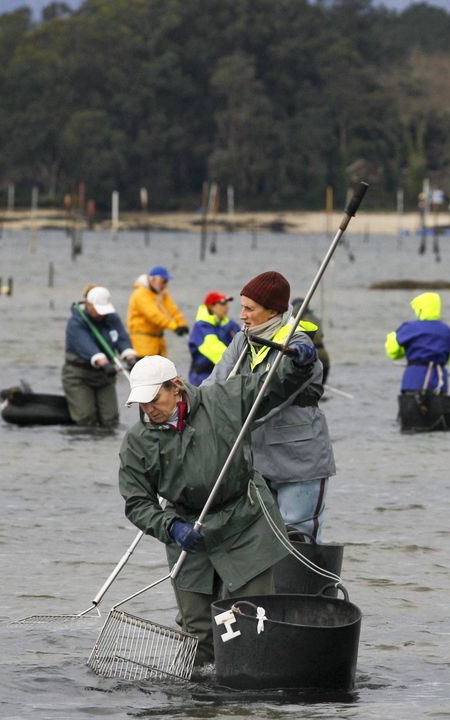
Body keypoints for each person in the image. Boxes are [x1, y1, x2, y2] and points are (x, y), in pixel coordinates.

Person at [117, 346, 318, 666]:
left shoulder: (224, 400)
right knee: (197, 630)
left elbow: (271, 387)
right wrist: (170, 527)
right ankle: (202, 699)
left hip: (244, 520)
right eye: (142, 403)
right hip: (188, 530)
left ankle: (256, 688)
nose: (149, 409)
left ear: (176, 386)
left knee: (253, 614)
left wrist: (299, 366)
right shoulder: (138, 441)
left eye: (155, 399)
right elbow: (137, 501)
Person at [204, 271, 335, 543]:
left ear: (273, 310)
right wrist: (189, 407)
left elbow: (275, 391)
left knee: (298, 538)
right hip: (256, 461)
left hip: (299, 460)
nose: (242, 315)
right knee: (259, 542)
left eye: (249, 309)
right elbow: (215, 383)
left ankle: (304, 585)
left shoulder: (297, 343)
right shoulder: (243, 340)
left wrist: (303, 362)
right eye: (241, 307)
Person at [62, 285, 138, 427]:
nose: (102, 315)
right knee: (86, 419)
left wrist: (130, 356)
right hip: (79, 376)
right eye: (98, 310)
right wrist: (103, 363)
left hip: (104, 377)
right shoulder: (76, 323)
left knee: (110, 419)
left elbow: (121, 337)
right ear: (89, 305)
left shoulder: (111, 318)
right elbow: (87, 346)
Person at [385, 292, 450, 393]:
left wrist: (391, 337)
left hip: (414, 381)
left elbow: (393, 353)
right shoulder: (448, 331)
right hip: (440, 384)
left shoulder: (410, 327)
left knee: (411, 408)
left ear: (420, 309)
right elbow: (448, 359)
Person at [127, 266, 188, 358]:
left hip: (158, 343)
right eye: (163, 281)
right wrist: (174, 327)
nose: (165, 285)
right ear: (153, 280)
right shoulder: (140, 294)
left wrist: (182, 323)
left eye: (166, 282)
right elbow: (154, 315)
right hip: (143, 344)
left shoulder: (161, 292)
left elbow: (172, 309)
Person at [187, 291, 240, 386]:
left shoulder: (230, 324)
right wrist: (239, 367)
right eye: (222, 303)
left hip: (225, 374)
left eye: (227, 303)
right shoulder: (202, 327)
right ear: (211, 306)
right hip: (204, 377)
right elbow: (214, 350)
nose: (226, 307)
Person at [291, 297, 331, 386]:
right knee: (318, 389)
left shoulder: (297, 320)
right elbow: (321, 335)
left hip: (311, 357)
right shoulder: (315, 318)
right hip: (324, 355)